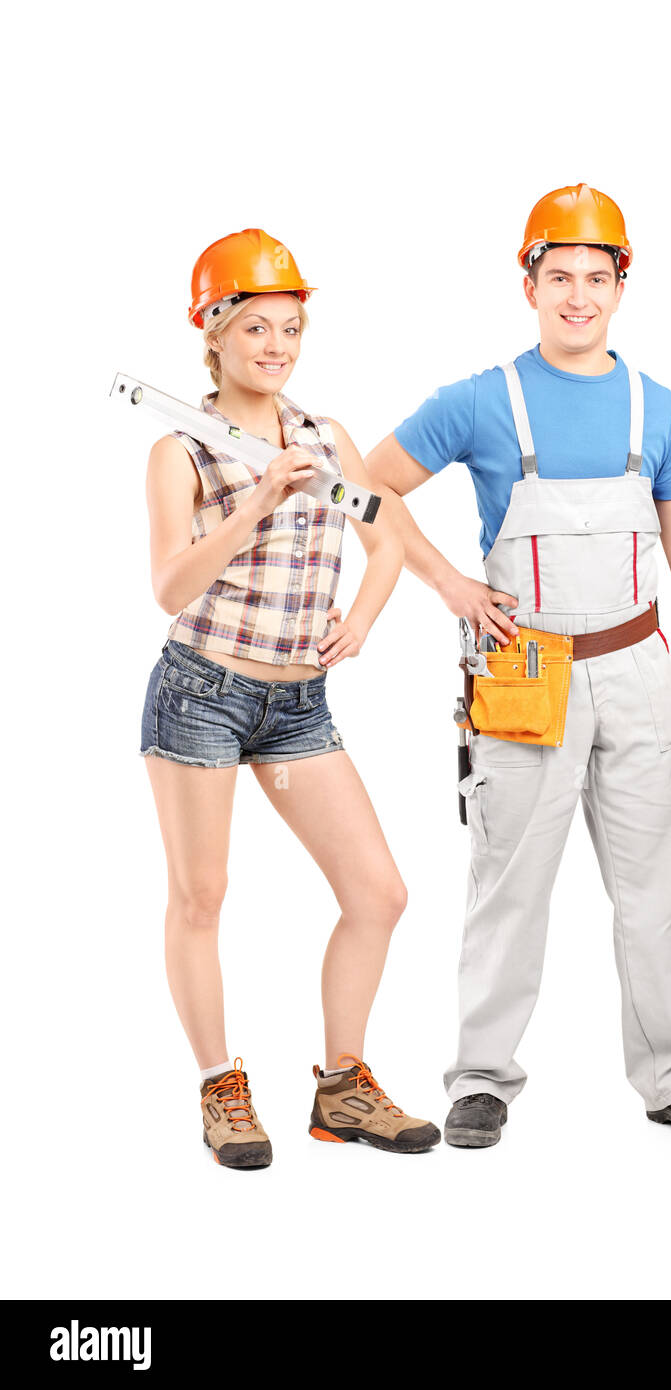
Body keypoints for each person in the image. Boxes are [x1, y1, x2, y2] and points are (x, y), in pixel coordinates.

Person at [365, 184, 671, 1147]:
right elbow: (368, 483)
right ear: (529, 283)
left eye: (596, 277)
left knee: (653, 891)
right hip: (522, 674)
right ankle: (482, 1080)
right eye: (560, 277)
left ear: (622, 286)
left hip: (637, 668)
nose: (577, 296)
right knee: (508, 883)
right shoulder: (478, 401)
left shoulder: (655, 406)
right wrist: (451, 585)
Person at [139, 228, 440, 1166]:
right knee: (202, 895)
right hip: (202, 691)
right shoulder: (182, 450)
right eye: (257, 327)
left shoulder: (325, 438)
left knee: (379, 894)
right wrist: (259, 503)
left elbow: (387, 536)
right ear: (215, 333)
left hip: (298, 703)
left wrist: (362, 617)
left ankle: (342, 1088)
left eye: (292, 329)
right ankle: (219, 1087)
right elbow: (170, 587)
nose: (276, 347)